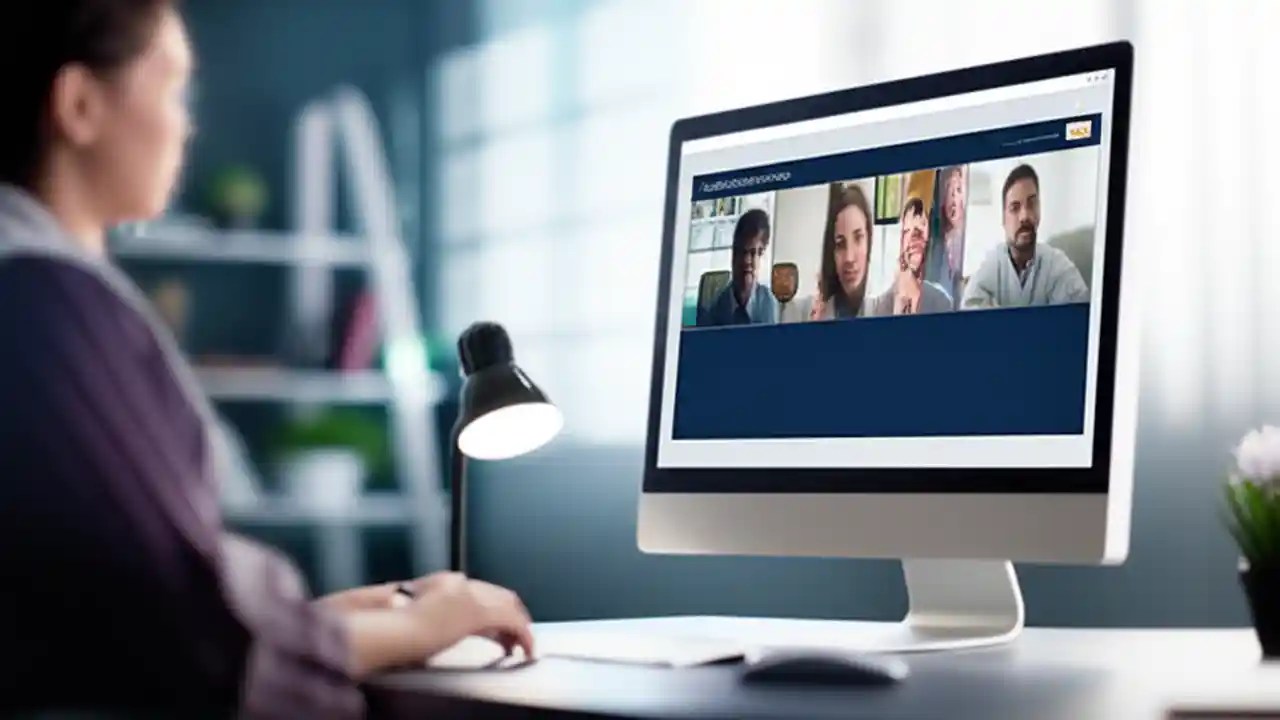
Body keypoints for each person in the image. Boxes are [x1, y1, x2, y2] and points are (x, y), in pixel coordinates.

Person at [0, 3, 533, 717]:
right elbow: (191, 642)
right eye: (172, 91)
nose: (185, 125)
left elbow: (116, 608)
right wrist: (422, 624)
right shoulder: (46, 305)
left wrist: (339, 617)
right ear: (80, 104)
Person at [962, 163, 1090, 308]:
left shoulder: (1058, 267)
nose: (1024, 216)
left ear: (1039, 210)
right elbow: (968, 311)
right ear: (1003, 219)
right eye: (1014, 208)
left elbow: (1081, 317)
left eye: (1032, 204)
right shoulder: (991, 266)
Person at [870, 171, 953, 316]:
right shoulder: (883, 305)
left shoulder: (941, 302)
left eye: (920, 231)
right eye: (907, 231)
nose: (915, 239)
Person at [696, 207, 778, 326]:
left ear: (761, 254)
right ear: (733, 254)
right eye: (741, 252)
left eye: (752, 253)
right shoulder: (713, 309)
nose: (746, 260)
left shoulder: (768, 304)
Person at [809, 182, 874, 320]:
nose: (849, 258)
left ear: (869, 240)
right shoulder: (819, 313)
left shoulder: (887, 305)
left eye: (858, 238)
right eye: (840, 244)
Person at [927, 165, 967, 308]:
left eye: (958, 190)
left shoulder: (962, 244)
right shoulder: (934, 246)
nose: (954, 199)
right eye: (949, 192)